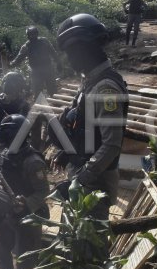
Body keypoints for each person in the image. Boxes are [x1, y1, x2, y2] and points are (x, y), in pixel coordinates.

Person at [52, 13, 128, 219]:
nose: (68, 59)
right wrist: (67, 152)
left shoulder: (105, 89)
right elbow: (83, 125)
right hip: (83, 175)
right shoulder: (89, 83)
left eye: (71, 53)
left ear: (84, 49)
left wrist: (79, 180)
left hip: (94, 185)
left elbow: (111, 144)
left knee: (88, 246)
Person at [0, 114, 49, 269]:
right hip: (8, 214)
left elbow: (43, 192)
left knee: (26, 263)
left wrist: (26, 202)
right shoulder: (5, 154)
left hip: (29, 218)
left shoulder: (33, 162)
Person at [12, 26, 60, 98]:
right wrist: (12, 63)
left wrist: (58, 62)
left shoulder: (43, 41)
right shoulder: (27, 46)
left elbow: (53, 52)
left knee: (50, 88)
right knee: (38, 90)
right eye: (30, 35)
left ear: (36, 34)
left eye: (33, 34)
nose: (32, 36)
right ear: (28, 35)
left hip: (45, 68)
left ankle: (55, 102)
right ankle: (41, 105)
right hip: (38, 70)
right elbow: (19, 58)